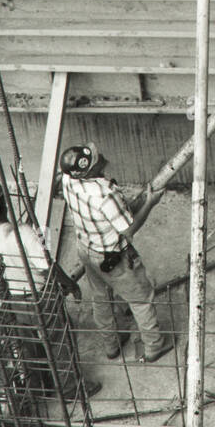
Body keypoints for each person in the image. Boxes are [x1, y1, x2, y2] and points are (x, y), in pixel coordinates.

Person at [0, 176, 101, 403]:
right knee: (58, 340)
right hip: (38, 297)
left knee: (26, 346)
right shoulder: (23, 233)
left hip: (11, 299)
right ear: (3, 202)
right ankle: (70, 387)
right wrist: (70, 283)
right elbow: (47, 267)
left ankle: (39, 386)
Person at [59, 143, 172, 363]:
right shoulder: (104, 194)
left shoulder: (68, 180)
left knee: (100, 297)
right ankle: (154, 347)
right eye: (95, 160)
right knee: (140, 300)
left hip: (87, 249)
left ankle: (111, 345)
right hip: (113, 257)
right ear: (89, 170)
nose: (100, 157)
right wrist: (150, 203)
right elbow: (128, 230)